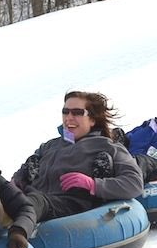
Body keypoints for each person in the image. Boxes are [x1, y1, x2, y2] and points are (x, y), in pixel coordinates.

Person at [11, 90, 143, 223]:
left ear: (92, 119)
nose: (69, 117)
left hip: (67, 208)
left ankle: (17, 229)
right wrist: (16, 183)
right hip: (33, 202)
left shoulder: (108, 147)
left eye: (77, 113)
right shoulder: (49, 146)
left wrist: (92, 184)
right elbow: (19, 177)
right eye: (65, 112)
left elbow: (134, 183)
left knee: (35, 201)